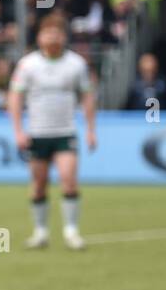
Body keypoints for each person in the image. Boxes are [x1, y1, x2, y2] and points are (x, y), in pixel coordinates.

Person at [6, 13, 97, 250]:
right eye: (48, 33)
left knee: (68, 180)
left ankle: (71, 231)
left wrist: (90, 130)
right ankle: (41, 232)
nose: (52, 37)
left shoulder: (76, 64)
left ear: (64, 37)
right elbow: (15, 97)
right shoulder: (28, 64)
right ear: (39, 37)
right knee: (38, 184)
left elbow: (87, 97)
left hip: (65, 132)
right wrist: (18, 131)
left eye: (57, 33)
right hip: (37, 133)